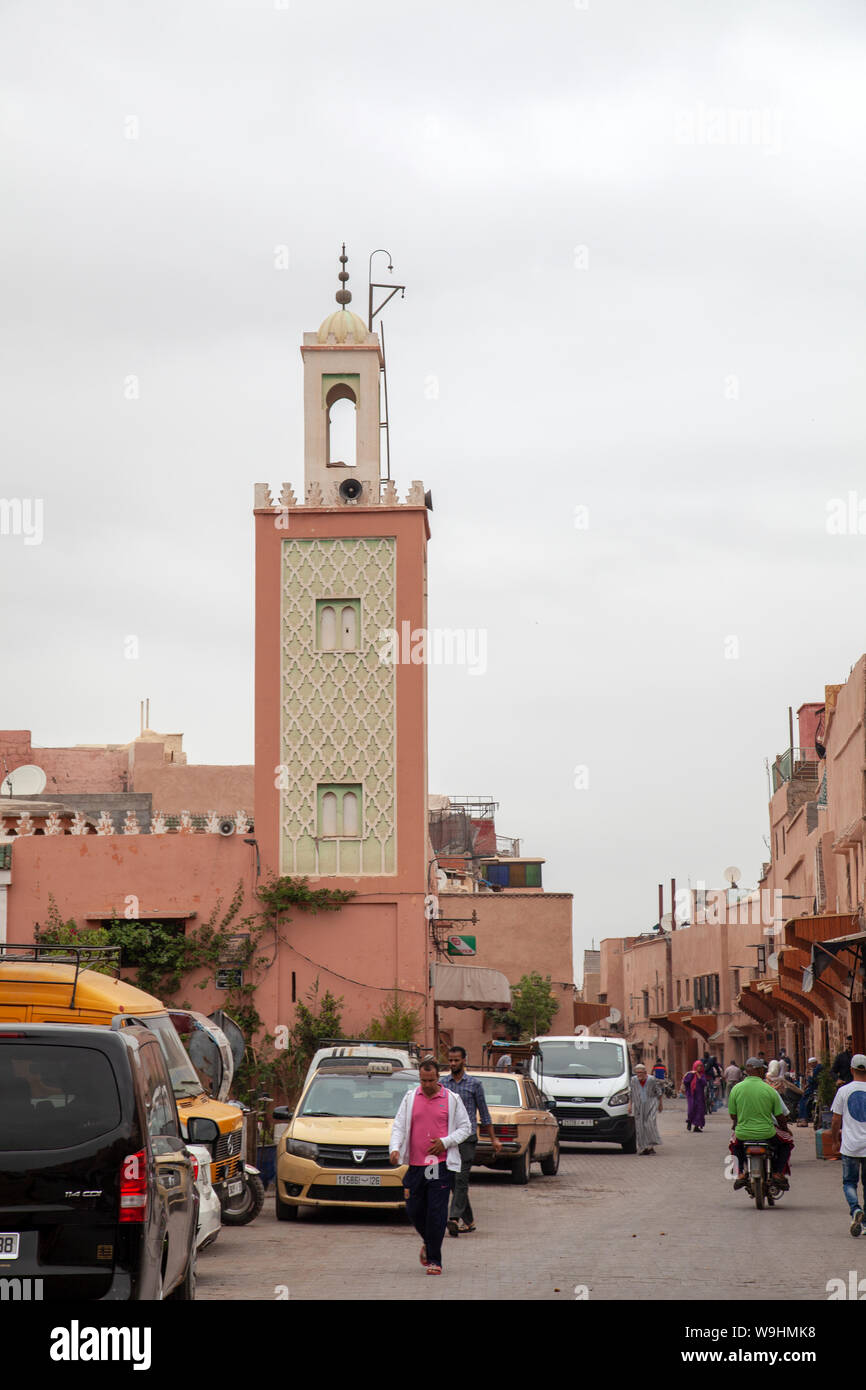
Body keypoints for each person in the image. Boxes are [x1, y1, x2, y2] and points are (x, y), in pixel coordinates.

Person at [389, 1058, 471, 1276]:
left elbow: (466, 1127)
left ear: (438, 1078)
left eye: (430, 1080)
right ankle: (429, 1240)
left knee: (436, 1212)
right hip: (416, 1164)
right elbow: (398, 1126)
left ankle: (435, 1259)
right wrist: (394, 1148)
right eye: (423, 1080)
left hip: (438, 1164)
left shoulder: (451, 1099)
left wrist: (445, 1142)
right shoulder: (410, 1098)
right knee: (414, 1208)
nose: (426, 1085)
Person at [440, 1045, 501, 1236]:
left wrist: (493, 1139)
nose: (453, 1063)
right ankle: (470, 1220)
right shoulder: (443, 1084)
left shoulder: (475, 1084)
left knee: (461, 1178)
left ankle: (453, 1218)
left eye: (456, 1060)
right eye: (450, 1060)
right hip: (450, 1139)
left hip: (468, 1139)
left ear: (464, 1060)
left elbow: (484, 1113)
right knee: (452, 1181)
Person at [728, 1057, 791, 1190]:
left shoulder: (736, 1089)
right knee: (787, 1142)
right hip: (767, 1132)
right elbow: (780, 1116)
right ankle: (778, 1172)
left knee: (734, 1145)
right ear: (759, 1070)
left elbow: (733, 1115)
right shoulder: (769, 1090)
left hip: (743, 1132)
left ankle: (739, 1173)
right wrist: (786, 1129)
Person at [830, 1053, 866, 1237]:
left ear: (851, 1070)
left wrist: (835, 1140)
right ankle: (865, 1222)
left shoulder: (843, 1091)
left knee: (849, 1182)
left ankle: (855, 1209)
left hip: (851, 1145)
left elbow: (836, 1120)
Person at [629, 1063, 663, 1154]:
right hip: (638, 1105)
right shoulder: (633, 1080)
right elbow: (631, 1093)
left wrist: (660, 1105)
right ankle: (643, 1148)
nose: (639, 1074)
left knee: (650, 1124)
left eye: (641, 1072)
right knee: (640, 1126)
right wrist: (630, 1105)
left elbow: (659, 1092)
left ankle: (651, 1146)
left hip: (651, 1104)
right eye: (637, 1073)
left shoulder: (651, 1079)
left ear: (645, 1072)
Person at [683, 1059, 708, 1132]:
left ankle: (696, 1126)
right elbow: (685, 1082)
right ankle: (690, 1122)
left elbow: (704, 1083)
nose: (699, 1068)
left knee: (699, 1110)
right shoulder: (690, 1074)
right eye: (698, 1066)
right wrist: (692, 1075)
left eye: (701, 1066)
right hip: (691, 1095)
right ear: (695, 1066)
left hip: (699, 1096)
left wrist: (698, 1075)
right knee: (691, 1109)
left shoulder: (702, 1075)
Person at [797, 1057, 822, 1126]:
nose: (810, 1066)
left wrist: (809, 1076)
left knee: (803, 1101)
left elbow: (813, 1080)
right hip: (812, 1088)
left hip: (813, 1090)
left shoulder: (817, 1069)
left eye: (811, 1064)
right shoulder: (816, 1068)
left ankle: (803, 1118)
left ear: (814, 1063)